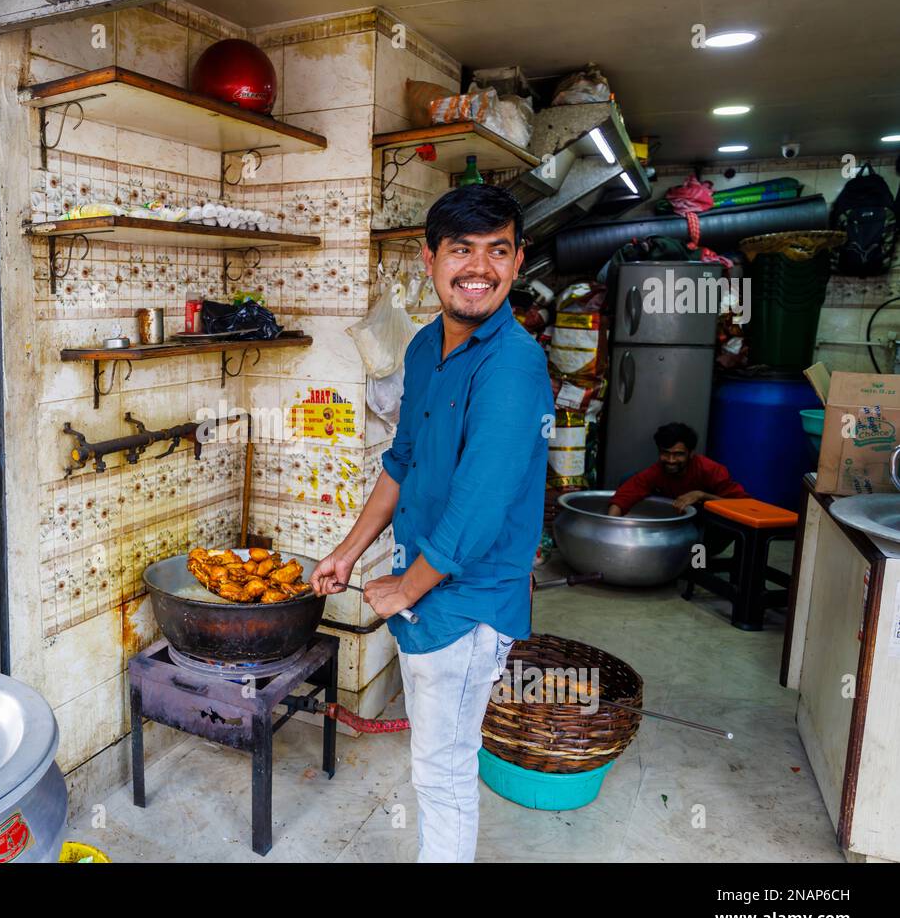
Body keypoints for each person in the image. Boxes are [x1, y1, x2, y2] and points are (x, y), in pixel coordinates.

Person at [310, 185, 552, 863]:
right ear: (431, 259)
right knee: (433, 761)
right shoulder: (422, 349)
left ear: (518, 259)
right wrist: (349, 553)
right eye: (462, 250)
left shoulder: (513, 365)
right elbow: (403, 461)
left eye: (497, 251)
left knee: (443, 775)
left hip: (467, 605)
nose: (479, 267)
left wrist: (404, 588)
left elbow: (478, 509)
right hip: (425, 592)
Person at [607, 422, 747, 516]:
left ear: (691, 453)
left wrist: (703, 496)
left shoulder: (711, 470)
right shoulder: (657, 471)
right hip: (678, 520)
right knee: (628, 478)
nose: (671, 460)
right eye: (665, 453)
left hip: (711, 525)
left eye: (678, 454)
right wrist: (610, 526)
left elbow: (742, 507)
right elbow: (623, 497)